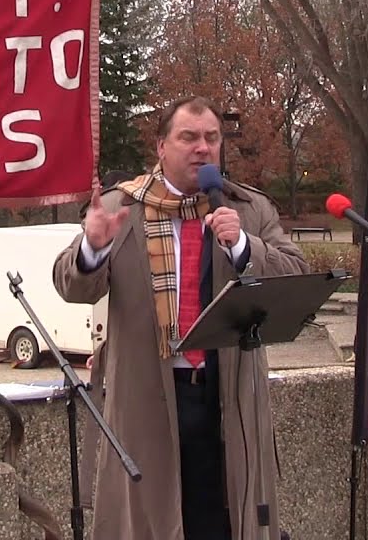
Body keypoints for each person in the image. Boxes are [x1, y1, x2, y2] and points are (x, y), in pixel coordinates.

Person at [53, 96, 309, 540]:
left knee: (224, 522)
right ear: (161, 147)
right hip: (149, 397)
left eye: (212, 138)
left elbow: (297, 277)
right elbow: (72, 287)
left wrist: (245, 248)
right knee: (155, 523)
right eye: (188, 137)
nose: (202, 148)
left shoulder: (247, 209)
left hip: (229, 396)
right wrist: (92, 248)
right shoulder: (122, 206)